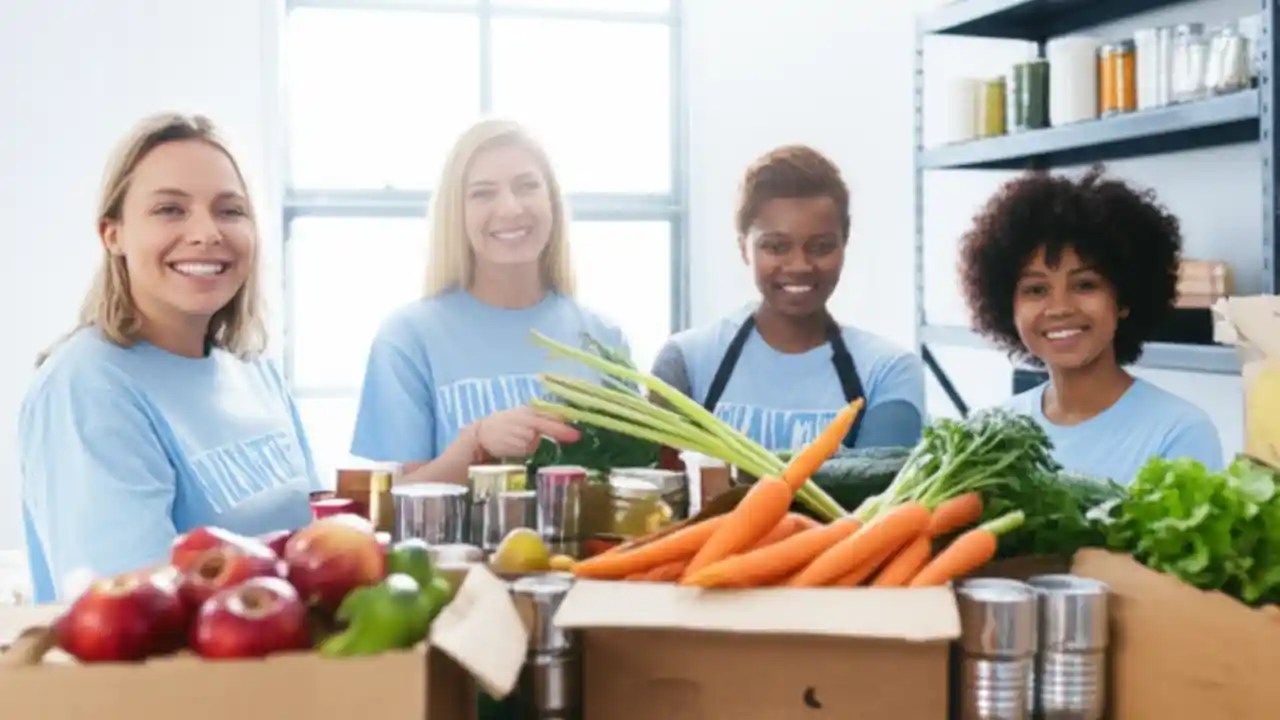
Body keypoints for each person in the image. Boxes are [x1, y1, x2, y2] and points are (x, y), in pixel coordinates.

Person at [19, 113, 323, 602]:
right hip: (180, 679)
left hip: (290, 669)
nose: (206, 233)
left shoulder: (254, 370)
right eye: (169, 210)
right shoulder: (88, 385)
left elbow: (314, 546)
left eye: (230, 210)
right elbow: (132, 608)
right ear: (111, 234)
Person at [348, 119, 628, 482]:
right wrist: (475, 444)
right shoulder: (406, 338)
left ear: (552, 202)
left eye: (527, 186)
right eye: (482, 193)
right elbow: (395, 502)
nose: (510, 208)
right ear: (456, 213)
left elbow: (628, 484)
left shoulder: (603, 337)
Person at [651, 145, 926, 453]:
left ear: (844, 244)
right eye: (776, 247)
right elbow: (663, 495)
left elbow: (886, 495)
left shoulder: (888, 371)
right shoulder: (685, 363)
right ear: (744, 248)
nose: (800, 266)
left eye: (821, 247)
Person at [958, 166, 1223, 484]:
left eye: (1085, 285)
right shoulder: (990, 433)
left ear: (1124, 299)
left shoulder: (1179, 432)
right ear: (1008, 307)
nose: (1060, 308)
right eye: (1036, 290)